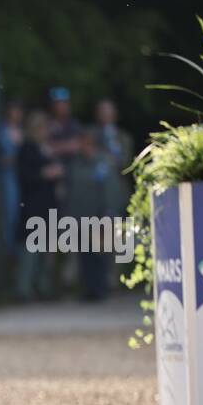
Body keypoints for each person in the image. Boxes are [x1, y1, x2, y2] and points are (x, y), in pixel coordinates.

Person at [65, 127, 125, 301]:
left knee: (101, 255)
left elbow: (112, 189)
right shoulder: (76, 163)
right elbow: (72, 190)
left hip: (100, 215)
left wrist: (109, 212)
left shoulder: (103, 163)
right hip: (80, 217)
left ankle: (100, 289)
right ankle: (89, 289)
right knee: (85, 257)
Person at [16, 110, 65, 300]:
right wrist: (46, 174)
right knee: (31, 250)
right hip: (32, 205)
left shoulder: (46, 148)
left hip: (47, 205)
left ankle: (43, 287)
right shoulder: (27, 148)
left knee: (47, 250)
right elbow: (25, 176)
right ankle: (24, 289)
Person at [0, 101, 24, 260]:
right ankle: (9, 252)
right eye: (14, 111)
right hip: (9, 178)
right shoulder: (2, 132)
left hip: (21, 178)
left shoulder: (23, 131)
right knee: (11, 213)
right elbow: (2, 159)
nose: (17, 114)